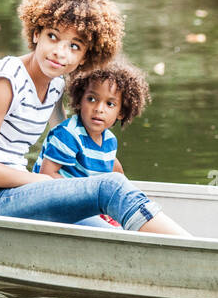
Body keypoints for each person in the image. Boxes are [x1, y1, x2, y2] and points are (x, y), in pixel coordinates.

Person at [0, 0, 189, 236]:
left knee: (110, 230)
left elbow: (75, 140)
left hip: (18, 192)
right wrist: (43, 181)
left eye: (74, 46)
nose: (60, 53)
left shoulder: (54, 86)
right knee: (109, 187)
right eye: (53, 37)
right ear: (36, 33)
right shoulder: (5, 81)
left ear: (84, 57)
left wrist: (102, 169)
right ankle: (195, 249)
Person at [33, 59, 150, 227]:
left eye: (110, 104)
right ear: (80, 101)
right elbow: (47, 175)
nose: (99, 109)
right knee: (113, 231)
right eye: (92, 99)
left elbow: (116, 173)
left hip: (84, 205)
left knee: (126, 225)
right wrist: (90, 198)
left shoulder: (109, 140)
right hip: (54, 204)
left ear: (121, 112)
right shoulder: (69, 134)